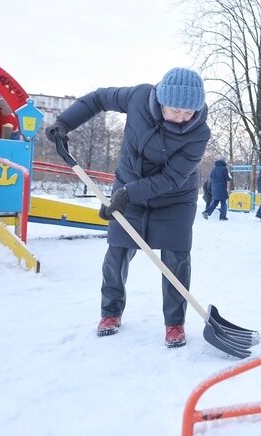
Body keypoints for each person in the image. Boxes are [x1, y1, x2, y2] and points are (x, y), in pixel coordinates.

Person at [44, 67, 209, 348]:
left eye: (188, 112)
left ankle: (174, 323)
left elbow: (171, 178)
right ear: (160, 100)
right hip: (129, 185)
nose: (182, 118)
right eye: (176, 110)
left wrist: (127, 193)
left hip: (174, 198)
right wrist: (64, 123)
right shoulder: (139, 97)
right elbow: (98, 99)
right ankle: (110, 313)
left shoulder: (199, 135)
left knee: (176, 257)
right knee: (118, 250)